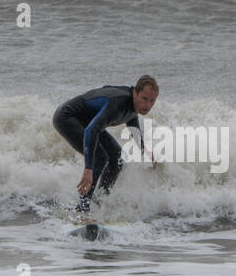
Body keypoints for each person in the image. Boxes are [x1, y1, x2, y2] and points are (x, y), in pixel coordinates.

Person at [53, 76, 158, 211]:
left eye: (152, 101)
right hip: (67, 117)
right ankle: (82, 210)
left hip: (88, 122)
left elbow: (131, 117)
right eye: (144, 99)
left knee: (117, 158)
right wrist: (88, 168)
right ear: (135, 93)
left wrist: (143, 149)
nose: (148, 105)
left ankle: (98, 204)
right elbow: (91, 130)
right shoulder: (118, 102)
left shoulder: (134, 104)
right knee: (100, 157)